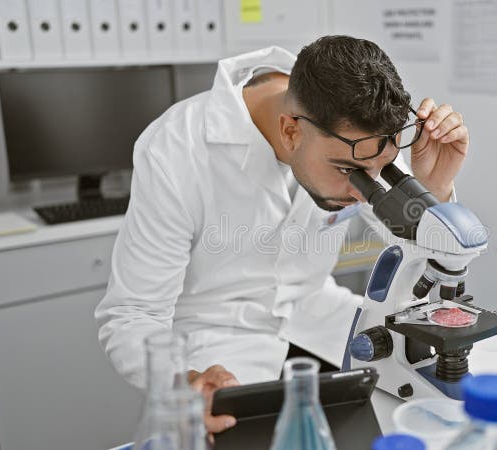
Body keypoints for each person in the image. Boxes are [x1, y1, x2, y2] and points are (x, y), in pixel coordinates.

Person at [95, 35, 469, 434]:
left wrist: (434, 190)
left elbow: (417, 250)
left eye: (381, 171)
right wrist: (182, 382)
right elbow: (133, 315)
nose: (365, 192)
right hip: (217, 351)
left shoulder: (355, 135)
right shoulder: (175, 148)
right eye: (348, 172)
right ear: (290, 131)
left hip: (323, 328)